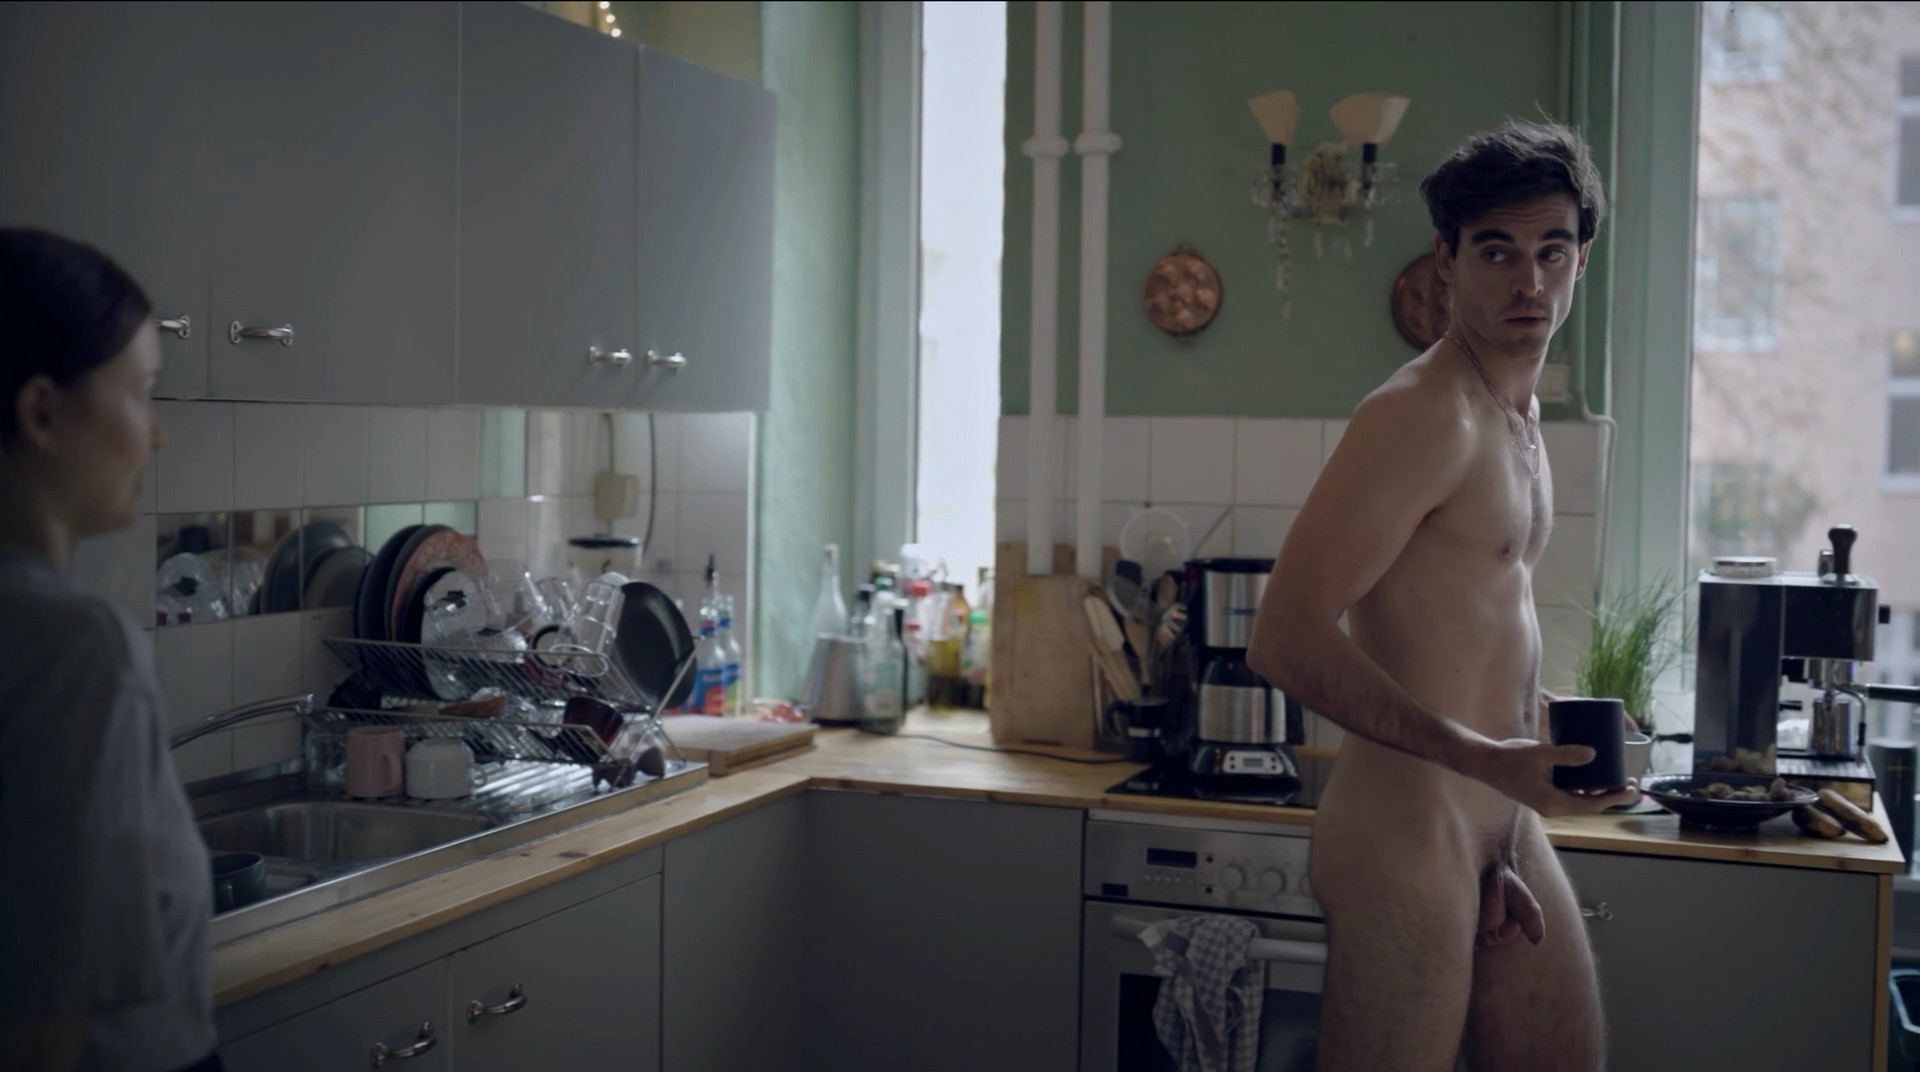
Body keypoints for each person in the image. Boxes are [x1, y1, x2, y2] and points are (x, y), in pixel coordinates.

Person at [1246, 119, 1638, 1072]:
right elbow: (1283, 637)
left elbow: (1461, 622)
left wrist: (1537, 729)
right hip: (1406, 834)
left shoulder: (1520, 416)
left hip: (1500, 821)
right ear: (1447, 259)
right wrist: (1483, 755)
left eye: (1551, 252)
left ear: (1582, 260)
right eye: (1497, 252)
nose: (1528, 281)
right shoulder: (1423, 414)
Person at [0, 228, 220, 1072]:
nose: (157, 434)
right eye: (140, 394)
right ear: (42, 413)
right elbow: (47, 1019)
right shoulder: (74, 647)